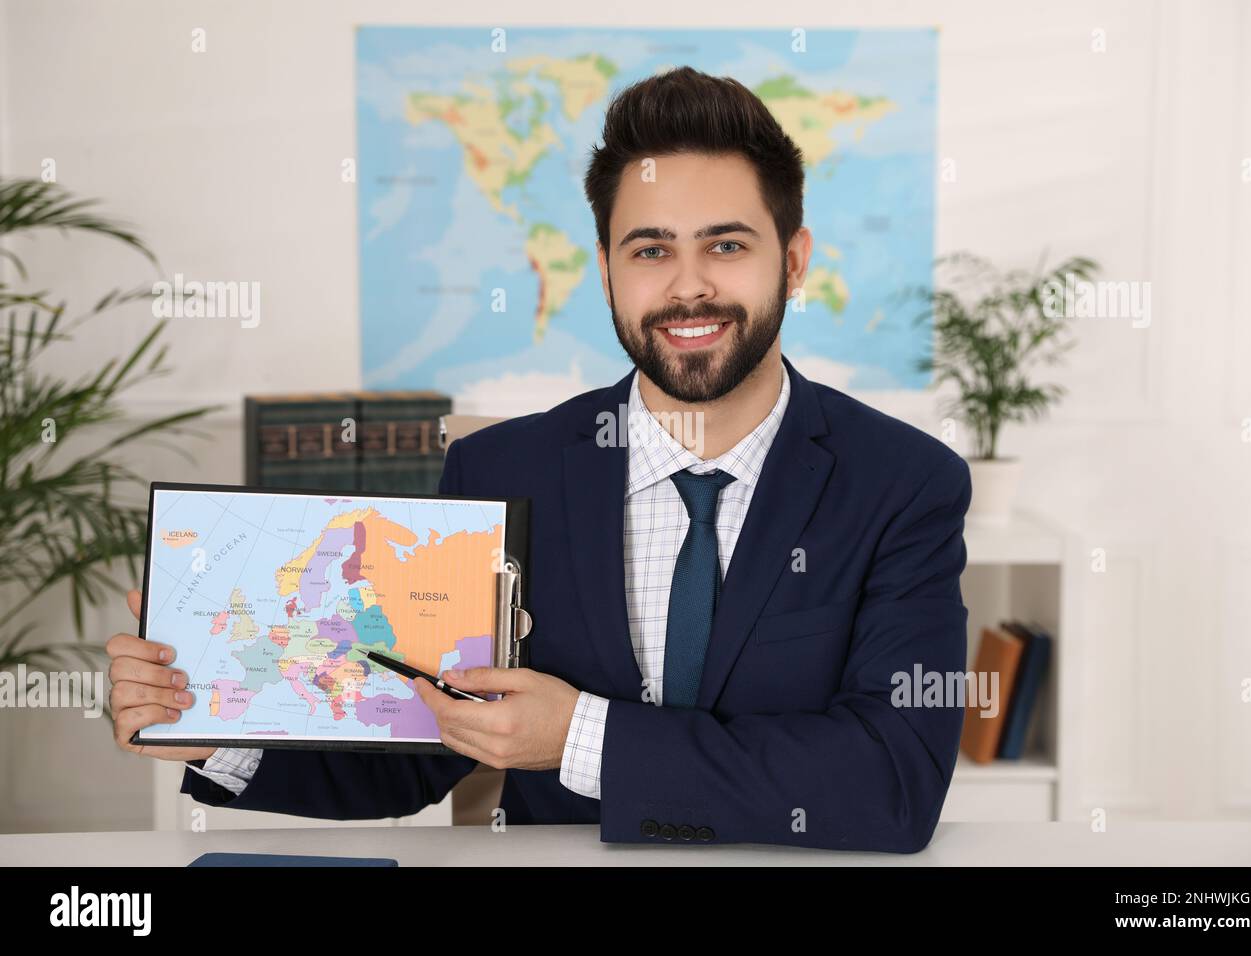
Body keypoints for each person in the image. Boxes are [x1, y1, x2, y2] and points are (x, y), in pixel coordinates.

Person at [106, 66, 971, 851]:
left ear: (794, 259)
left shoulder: (904, 485)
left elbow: (891, 782)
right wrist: (217, 729)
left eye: (727, 245)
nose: (688, 286)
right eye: (650, 249)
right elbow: (412, 756)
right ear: (604, 271)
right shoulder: (501, 473)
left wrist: (579, 738)